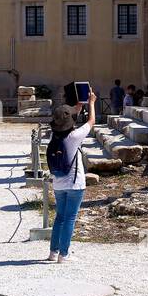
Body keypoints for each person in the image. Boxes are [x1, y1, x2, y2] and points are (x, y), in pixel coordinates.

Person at [45, 90, 96, 263]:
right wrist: (92, 103)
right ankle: (64, 254)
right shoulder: (75, 136)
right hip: (75, 183)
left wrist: (78, 106)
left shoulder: (54, 136)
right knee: (70, 219)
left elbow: (66, 119)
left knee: (59, 217)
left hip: (58, 183)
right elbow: (91, 121)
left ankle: (53, 252)